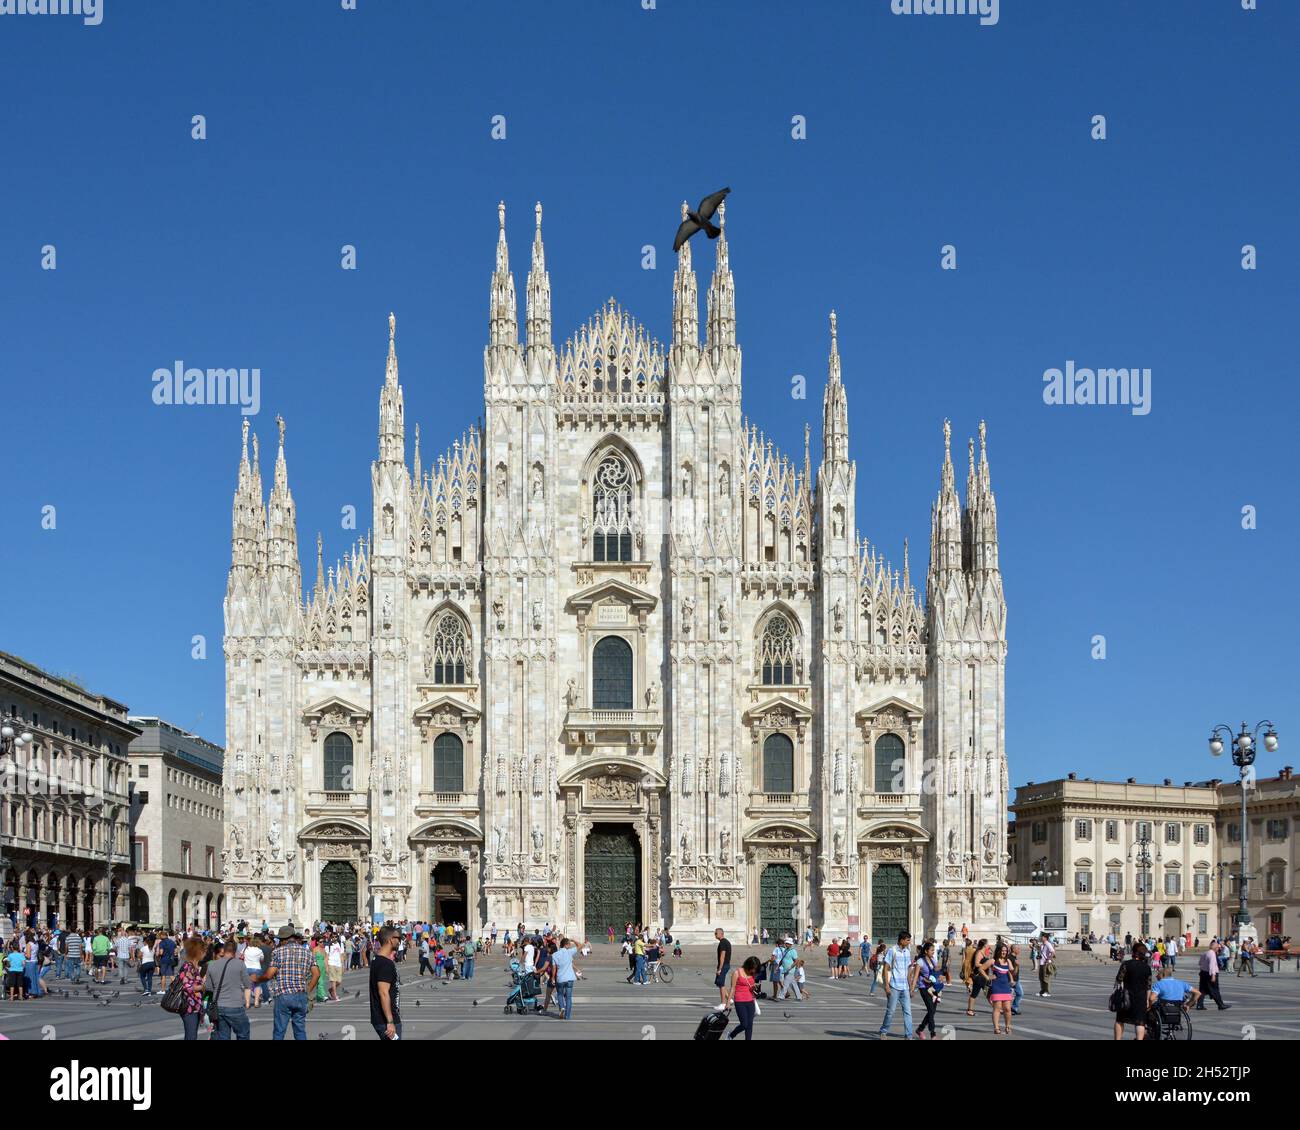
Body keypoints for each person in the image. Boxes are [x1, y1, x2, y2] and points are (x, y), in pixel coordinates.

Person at [258, 924, 319, 1040]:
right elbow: (316, 974)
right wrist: (308, 989)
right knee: (300, 1030)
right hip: (301, 995)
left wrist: (258, 979)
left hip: (284, 995)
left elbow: (269, 974)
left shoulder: (277, 952)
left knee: (279, 1031)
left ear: (283, 940)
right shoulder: (307, 952)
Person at [205, 938, 253, 1040]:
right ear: (235, 951)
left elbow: (209, 987)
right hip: (235, 1005)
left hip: (218, 1006)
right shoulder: (240, 964)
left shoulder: (212, 965)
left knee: (223, 1035)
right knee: (243, 1033)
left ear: (224, 950)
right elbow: (248, 985)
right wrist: (247, 1002)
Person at [1111, 941, 1153, 1040]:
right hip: (1141, 998)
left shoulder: (1126, 964)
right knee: (1140, 1022)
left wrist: (1115, 994)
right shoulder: (1147, 967)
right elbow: (1148, 986)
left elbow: (1118, 980)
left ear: (1134, 953)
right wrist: (1147, 1000)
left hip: (1126, 997)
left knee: (1120, 1020)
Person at [879, 930, 916, 1040]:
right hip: (894, 986)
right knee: (890, 1011)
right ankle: (883, 1031)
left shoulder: (907, 952)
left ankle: (908, 1035)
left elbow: (909, 970)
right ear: (902, 940)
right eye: (908, 940)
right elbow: (886, 968)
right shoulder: (892, 950)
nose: (909, 942)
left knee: (908, 1012)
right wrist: (886, 986)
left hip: (905, 987)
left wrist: (911, 987)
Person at [369, 925, 401, 1040]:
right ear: (391, 939)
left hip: (383, 1018)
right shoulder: (385, 964)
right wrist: (390, 1021)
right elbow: (383, 993)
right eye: (398, 938)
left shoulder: (377, 960)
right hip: (386, 1021)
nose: (399, 941)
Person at [722, 956, 762, 1041]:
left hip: (750, 1000)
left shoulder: (753, 974)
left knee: (750, 1024)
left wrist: (754, 987)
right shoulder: (737, 973)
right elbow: (732, 988)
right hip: (740, 1001)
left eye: (755, 969)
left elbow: (751, 987)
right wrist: (728, 1002)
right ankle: (731, 1035)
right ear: (748, 965)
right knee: (744, 1024)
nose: (754, 971)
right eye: (753, 968)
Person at [175, 937, 207, 1041]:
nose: (205, 953)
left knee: (192, 1035)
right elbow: (187, 987)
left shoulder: (195, 966)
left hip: (195, 1006)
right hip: (189, 1006)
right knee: (191, 1036)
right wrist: (203, 986)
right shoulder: (188, 966)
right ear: (198, 952)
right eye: (204, 951)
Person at [915, 939, 943, 1040]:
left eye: (934, 950)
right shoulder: (920, 961)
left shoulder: (933, 960)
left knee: (932, 1011)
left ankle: (920, 1029)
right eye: (932, 950)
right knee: (931, 1009)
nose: (933, 952)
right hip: (924, 987)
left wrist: (940, 976)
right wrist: (912, 988)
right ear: (926, 951)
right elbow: (915, 975)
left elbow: (937, 972)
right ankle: (933, 1033)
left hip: (933, 987)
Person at [988, 941, 1015, 1036]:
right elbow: (981, 968)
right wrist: (988, 977)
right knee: (997, 1008)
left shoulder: (1008, 961)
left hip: (1006, 987)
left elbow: (1010, 971)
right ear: (999, 951)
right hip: (996, 987)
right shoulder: (993, 961)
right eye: (1003, 951)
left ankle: (1008, 1026)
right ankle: (996, 1028)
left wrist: (1012, 978)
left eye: (1006, 951)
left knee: (1007, 1009)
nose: (1004, 952)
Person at [1196, 941, 1230, 1011]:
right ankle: (1220, 1005)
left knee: (1202, 990)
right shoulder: (1212, 954)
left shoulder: (1205, 953)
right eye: (1218, 947)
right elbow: (1212, 965)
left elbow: (1200, 963)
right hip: (1210, 974)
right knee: (1215, 990)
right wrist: (1213, 975)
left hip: (1203, 973)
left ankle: (1199, 1005)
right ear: (1215, 947)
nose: (1219, 949)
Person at [552, 936, 579, 1020]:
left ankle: (562, 1007)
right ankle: (567, 1016)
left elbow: (554, 968)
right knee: (568, 997)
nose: (570, 946)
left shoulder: (554, 955)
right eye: (569, 944)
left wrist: (553, 978)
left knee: (560, 994)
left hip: (560, 978)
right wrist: (573, 939)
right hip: (570, 978)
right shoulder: (569, 952)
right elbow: (580, 945)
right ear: (565, 945)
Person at [714, 927, 731, 1004]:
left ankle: (723, 1003)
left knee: (721, 984)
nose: (715, 935)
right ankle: (729, 999)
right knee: (719, 983)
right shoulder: (725, 942)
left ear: (721, 933)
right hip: (725, 965)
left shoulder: (723, 943)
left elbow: (722, 956)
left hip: (723, 965)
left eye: (716, 933)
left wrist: (720, 968)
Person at [1036, 932, 1056, 997]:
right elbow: (1041, 952)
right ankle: (1042, 990)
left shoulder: (1048, 944)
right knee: (1041, 978)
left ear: (1045, 938)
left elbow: (1053, 952)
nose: (1041, 937)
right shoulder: (1042, 944)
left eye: (1042, 936)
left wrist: (1048, 959)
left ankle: (1047, 992)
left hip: (1046, 963)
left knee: (1046, 978)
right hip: (1041, 963)